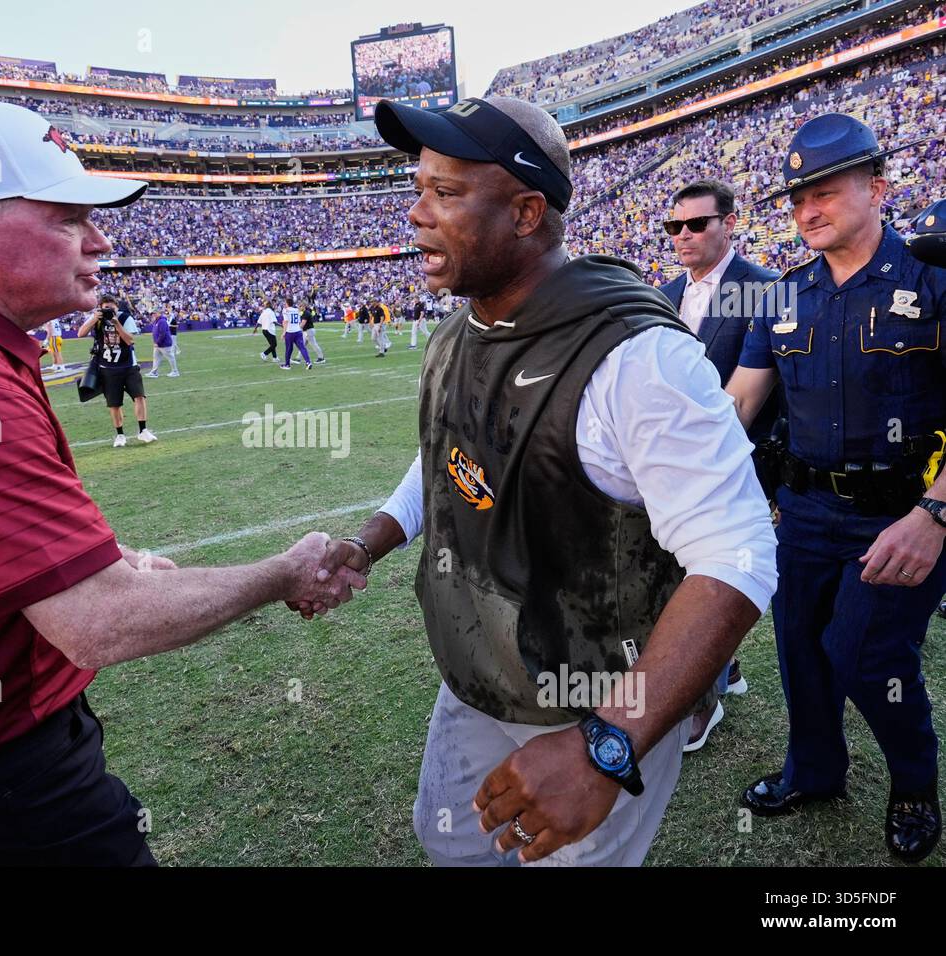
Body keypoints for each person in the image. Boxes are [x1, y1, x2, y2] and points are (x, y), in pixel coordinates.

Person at [0, 100, 366, 867]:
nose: (100, 240)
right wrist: (282, 573)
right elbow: (97, 622)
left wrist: (96, 567)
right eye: (67, 217)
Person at [299, 96, 776, 867]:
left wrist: (606, 747)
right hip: (483, 669)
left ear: (526, 214)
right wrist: (370, 542)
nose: (416, 214)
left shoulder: (642, 358)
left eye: (446, 194)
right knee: (449, 840)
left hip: (599, 694)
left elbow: (739, 554)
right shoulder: (459, 330)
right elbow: (449, 459)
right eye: (419, 187)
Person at [726, 114, 944, 863]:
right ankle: (814, 773)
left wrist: (935, 514)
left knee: (864, 654)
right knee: (799, 653)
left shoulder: (934, 283)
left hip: (907, 514)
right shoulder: (780, 297)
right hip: (805, 515)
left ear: (878, 188)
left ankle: (915, 783)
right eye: (795, 198)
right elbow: (739, 407)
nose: (806, 210)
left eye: (823, 191)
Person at [658, 177, 780, 752]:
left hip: (729, 461)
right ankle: (724, 671)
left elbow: (753, 396)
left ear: (728, 223)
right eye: (674, 227)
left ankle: (701, 702)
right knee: (675, 574)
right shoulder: (661, 292)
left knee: (707, 581)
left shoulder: (764, 290)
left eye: (696, 224)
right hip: (668, 462)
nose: (683, 236)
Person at [78, 293, 155, 446]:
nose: (108, 311)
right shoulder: (97, 319)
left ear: (117, 307)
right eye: (105, 308)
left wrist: (116, 323)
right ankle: (120, 435)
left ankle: (143, 430)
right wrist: (95, 318)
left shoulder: (125, 318)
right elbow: (80, 333)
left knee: (139, 396)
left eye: (111, 308)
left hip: (128, 366)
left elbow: (130, 340)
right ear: (100, 308)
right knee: (114, 404)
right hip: (107, 368)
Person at [280, 297, 312, 370]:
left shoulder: (285, 310)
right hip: (298, 331)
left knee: (288, 349)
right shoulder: (296, 310)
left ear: (287, 303)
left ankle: (287, 365)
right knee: (302, 348)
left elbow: (286, 322)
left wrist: (283, 333)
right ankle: (308, 362)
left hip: (290, 332)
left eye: (285, 303)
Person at [147, 311, 179, 378]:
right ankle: (154, 372)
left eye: (155, 313)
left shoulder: (162, 321)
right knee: (156, 358)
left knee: (170, 357)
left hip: (164, 343)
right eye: (152, 314)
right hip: (158, 344)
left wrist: (157, 342)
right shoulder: (157, 321)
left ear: (159, 313)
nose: (153, 315)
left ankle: (175, 371)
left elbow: (162, 333)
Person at [301, 298, 326, 364]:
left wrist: (297, 329)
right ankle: (298, 358)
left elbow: (303, 324)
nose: (299, 307)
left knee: (314, 345)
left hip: (308, 331)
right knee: (302, 345)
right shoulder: (305, 312)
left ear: (304, 306)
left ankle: (321, 358)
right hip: (306, 331)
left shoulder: (306, 313)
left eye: (300, 306)